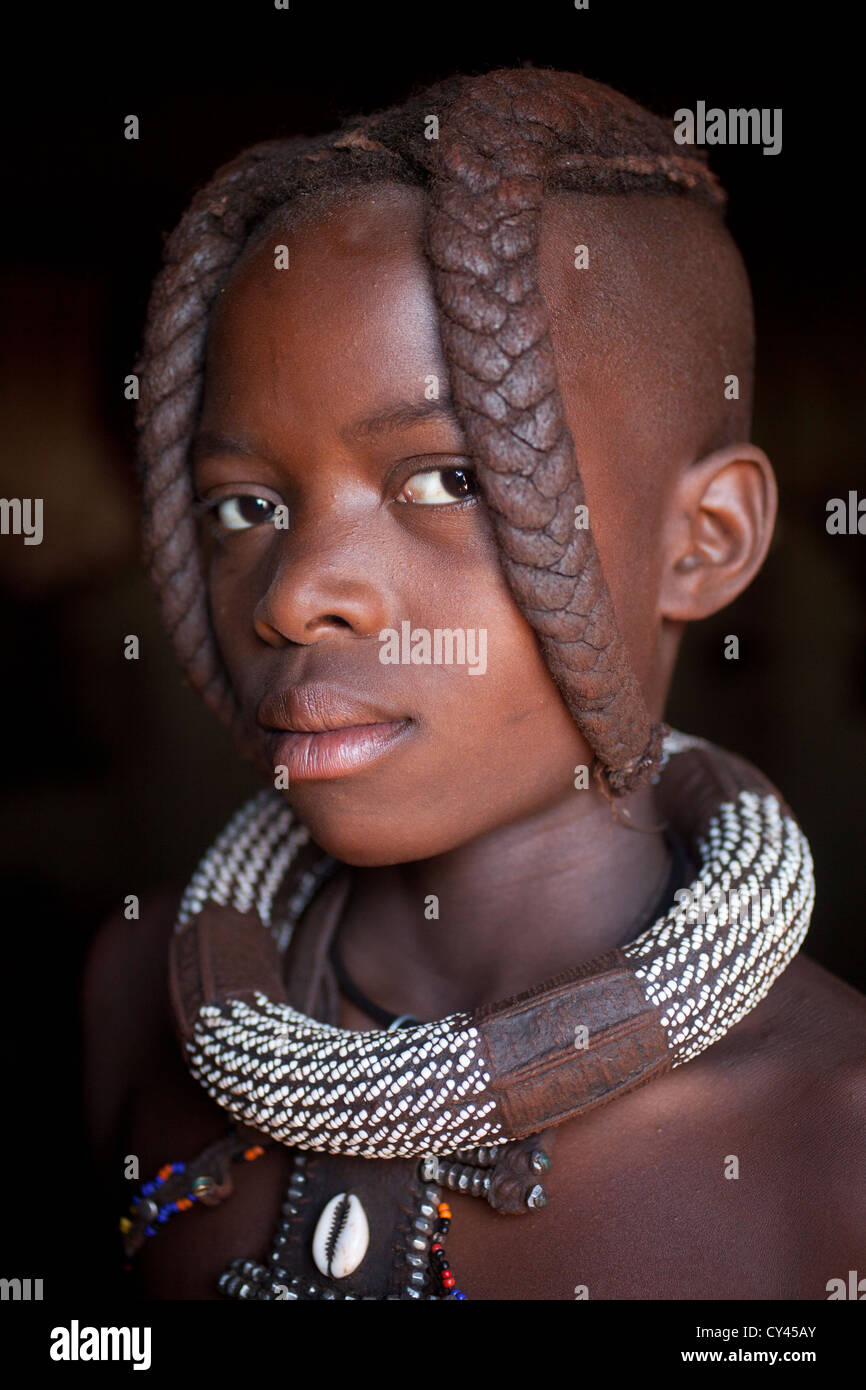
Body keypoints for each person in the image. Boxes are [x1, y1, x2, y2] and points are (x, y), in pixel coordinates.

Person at [82, 65, 866, 1301]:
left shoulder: (833, 1140)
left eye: (444, 481)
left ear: (704, 540)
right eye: (246, 504)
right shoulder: (143, 990)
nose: (294, 594)